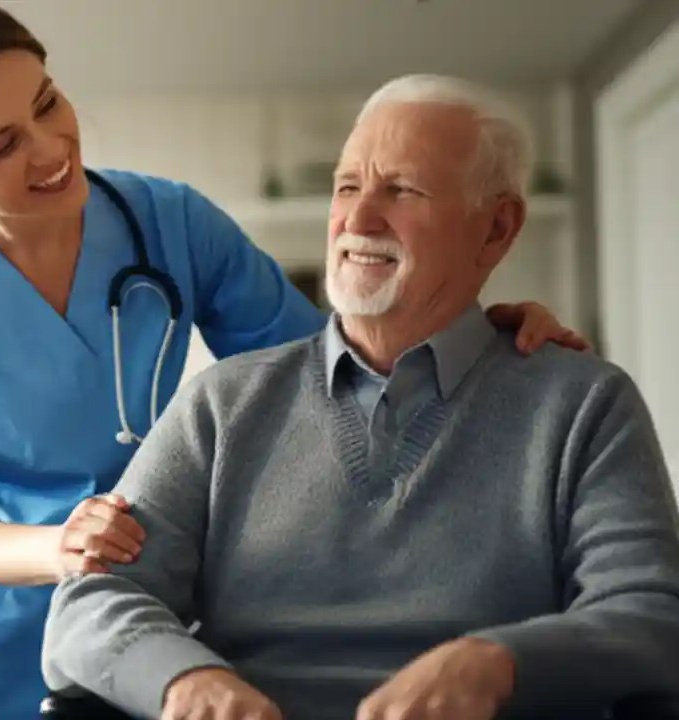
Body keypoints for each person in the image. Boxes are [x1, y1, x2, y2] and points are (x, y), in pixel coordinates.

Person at [0, 2, 585, 717]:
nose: (49, 147)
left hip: (126, 627)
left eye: (48, 104)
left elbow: (331, 363)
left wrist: (474, 323)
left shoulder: (168, 221)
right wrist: (66, 544)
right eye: (1, 146)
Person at [41, 73, 679, 720]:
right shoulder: (222, 405)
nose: (359, 218)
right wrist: (185, 681)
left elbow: (651, 615)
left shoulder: (583, 405)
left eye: (402, 189)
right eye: (347, 186)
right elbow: (89, 605)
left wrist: (498, 663)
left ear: (496, 229)